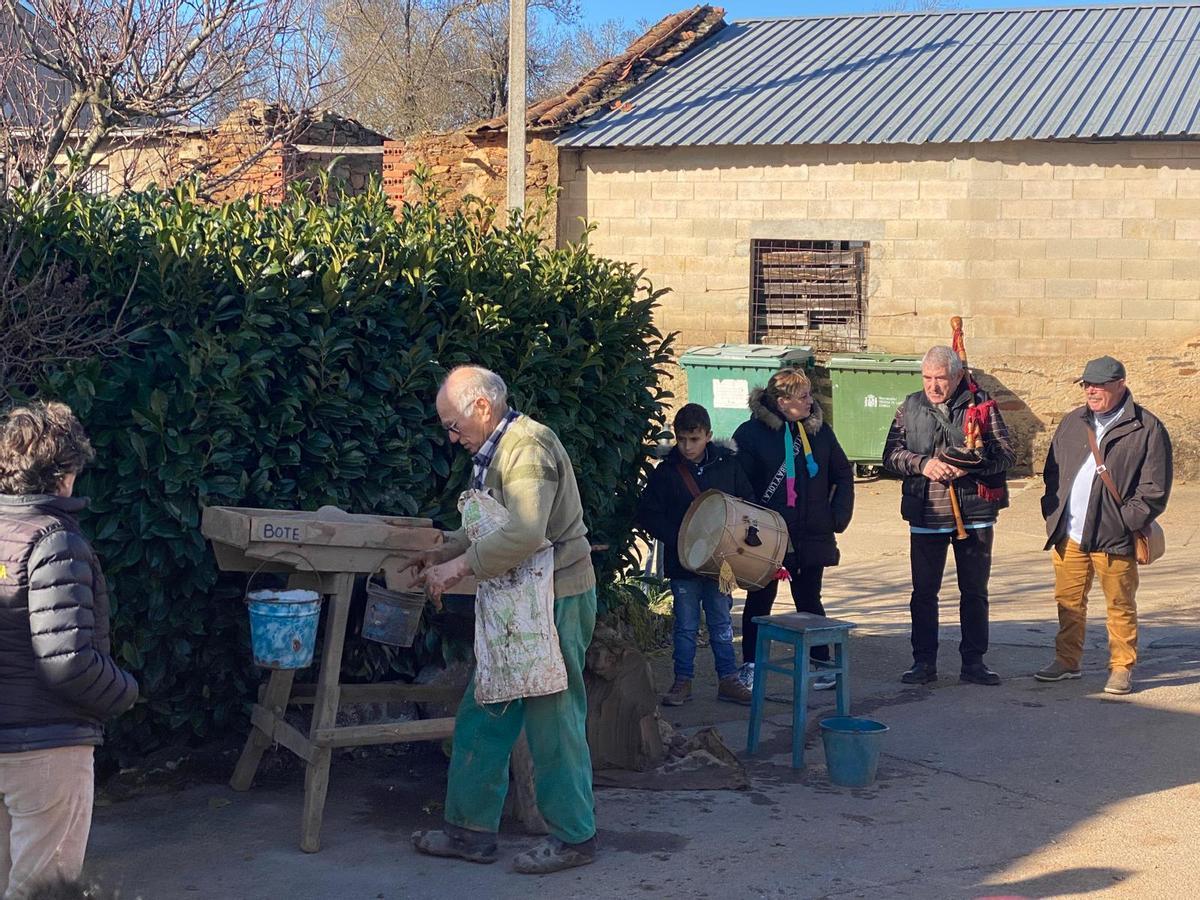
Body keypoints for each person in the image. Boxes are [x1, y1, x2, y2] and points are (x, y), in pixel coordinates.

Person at [410, 366, 597, 874]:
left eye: (452, 425)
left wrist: (459, 566)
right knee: (483, 710)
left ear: (483, 409)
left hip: (556, 599)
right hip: (519, 602)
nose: (451, 437)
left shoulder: (528, 448)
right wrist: (443, 549)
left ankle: (576, 837)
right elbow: (489, 523)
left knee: (553, 719)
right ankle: (470, 832)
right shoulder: (495, 450)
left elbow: (523, 534)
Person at [0, 402, 139, 900]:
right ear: (65, 471)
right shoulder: (54, 539)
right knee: (43, 891)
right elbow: (67, 660)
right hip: (46, 747)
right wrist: (124, 692)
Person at [1036, 356, 1171, 695]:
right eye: (1086, 384)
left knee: (1120, 604)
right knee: (1068, 601)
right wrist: (1052, 511)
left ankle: (1121, 667)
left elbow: (1154, 489)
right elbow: (1052, 470)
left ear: (1121, 384)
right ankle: (1067, 662)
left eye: (1099, 385)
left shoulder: (1147, 428)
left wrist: (1126, 522)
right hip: (1070, 533)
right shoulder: (1072, 421)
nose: (1091, 391)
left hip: (1114, 536)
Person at [883, 346, 1015, 686]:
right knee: (923, 592)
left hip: (974, 513)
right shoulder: (909, 407)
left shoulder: (982, 406)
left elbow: (1006, 455)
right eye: (927, 378)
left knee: (974, 591)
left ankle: (974, 663)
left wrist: (966, 467)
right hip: (926, 512)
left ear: (957, 377)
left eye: (941, 378)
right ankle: (923, 662)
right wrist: (923, 464)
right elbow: (891, 455)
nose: (933, 386)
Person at [731, 368, 854, 692]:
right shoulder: (750, 435)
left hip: (812, 531)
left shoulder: (819, 432)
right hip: (767, 537)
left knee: (809, 597)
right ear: (783, 401)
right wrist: (756, 527)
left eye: (810, 395)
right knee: (760, 600)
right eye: (804, 396)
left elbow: (842, 473)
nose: (811, 401)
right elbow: (740, 485)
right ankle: (752, 665)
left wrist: (837, 516)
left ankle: (822, 663)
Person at [636, 403, 756, 707]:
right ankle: (683, 681)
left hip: (723, 562)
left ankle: (728, 679)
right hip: (684, 561)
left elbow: (748, 503)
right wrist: (679, 537)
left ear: (708, 436)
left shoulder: (728, 465)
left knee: (722, 622)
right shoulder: (666, 472)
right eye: (682, 439)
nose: (688, 446)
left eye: (695, 439)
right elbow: (648, 512)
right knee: (686, 625)